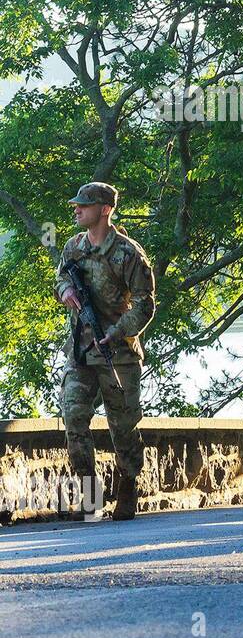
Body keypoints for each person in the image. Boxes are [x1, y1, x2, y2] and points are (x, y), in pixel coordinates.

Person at [55, 182, 156, 521]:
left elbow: (145, 305)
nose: (77, 209)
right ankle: (89, 495)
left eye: (84, 205)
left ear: (105, 209)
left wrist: (115, 332)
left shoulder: (128, 254)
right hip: (81, 352)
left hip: (118, 353)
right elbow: (60, 280)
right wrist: (66, 289)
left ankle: (128, 485)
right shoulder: (73, 247)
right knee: (73, 416)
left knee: (123, 426)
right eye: (76, 204)